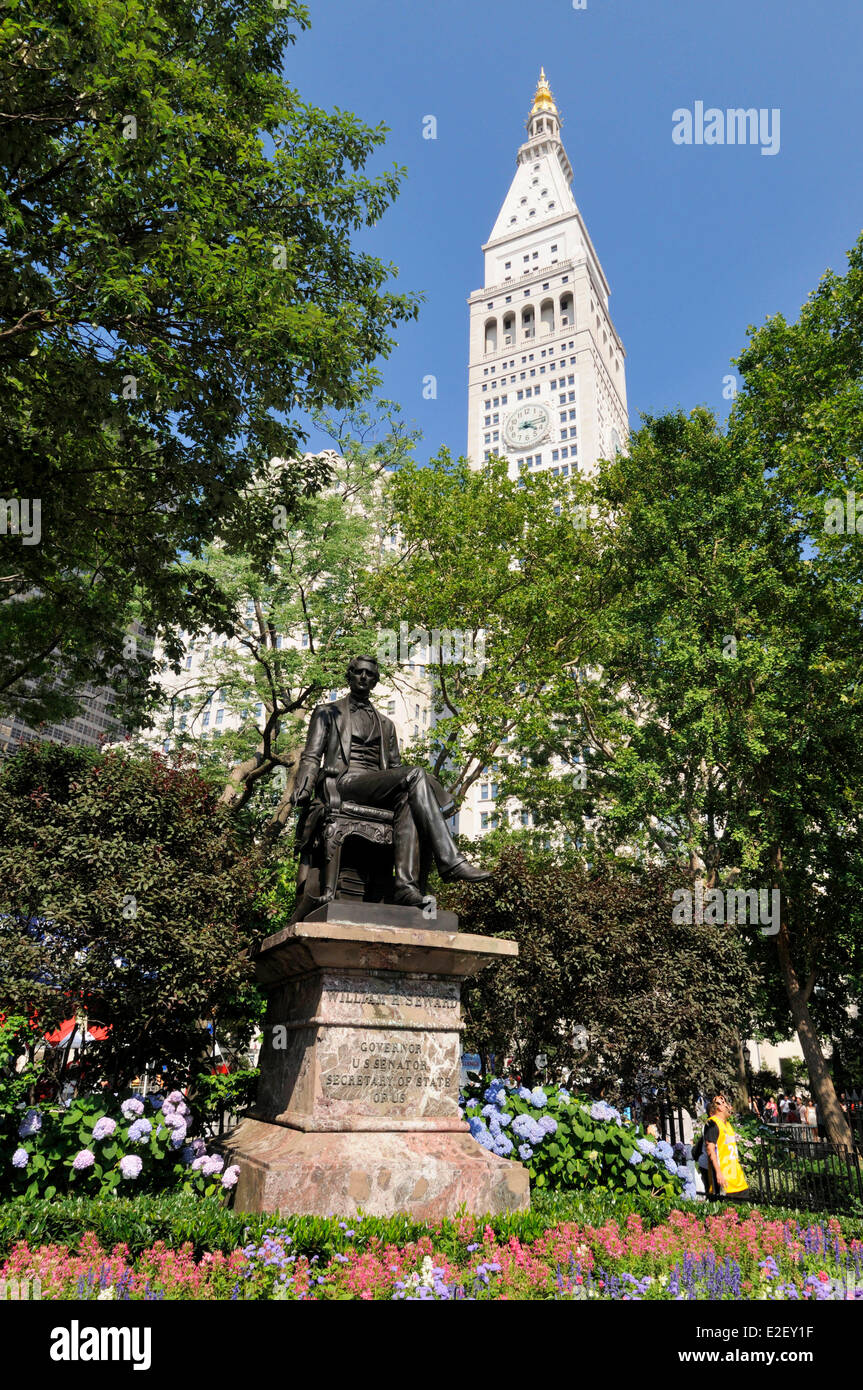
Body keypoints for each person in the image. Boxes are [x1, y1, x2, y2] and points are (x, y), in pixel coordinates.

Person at [291, 655, 492, 907]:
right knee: (417, 774)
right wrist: (304, 788)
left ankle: (405, 886)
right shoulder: (327, 712)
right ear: (349, 675)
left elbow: (395, 769)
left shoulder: (386, 725)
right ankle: (451, 861)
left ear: (376, 681)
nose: (364, 677)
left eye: (370, 674)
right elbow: (311, 756)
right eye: (359, 672)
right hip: (345, 782)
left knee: (410, 798)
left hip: (375, 785)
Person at [702, 1094, 749, 1202]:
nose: (728, 1106)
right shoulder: (712, 1124)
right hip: (724, 1182)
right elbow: (710, 1150)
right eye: (723, 1103)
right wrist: (718, 1173)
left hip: (738, 1180)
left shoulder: (728, 1125)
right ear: (718, 1107)